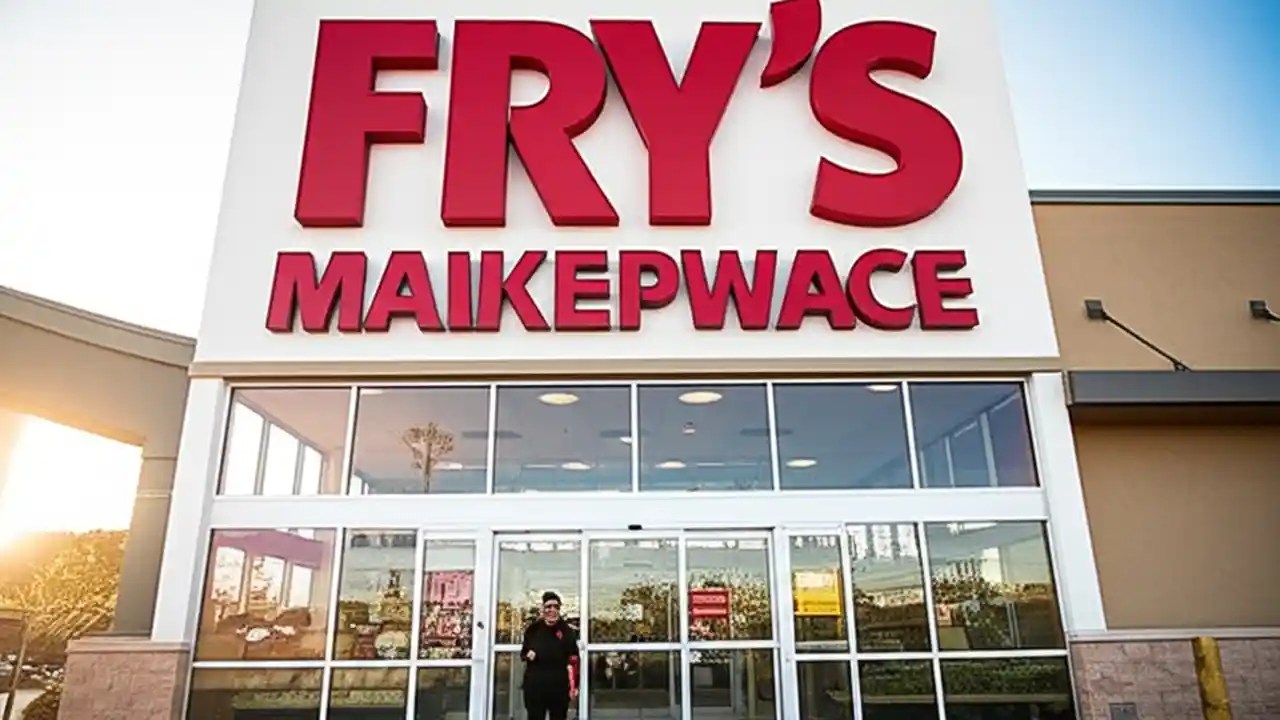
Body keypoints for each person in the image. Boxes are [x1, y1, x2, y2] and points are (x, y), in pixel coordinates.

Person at [521, 591, 579, 720]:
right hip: (535, 686)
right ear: (543, 609)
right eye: (548, 607)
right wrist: (528, 655)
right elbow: (523, 653)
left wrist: (574, 686)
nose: (552, 610)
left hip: (559, 687)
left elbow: (573, 660)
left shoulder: (567, 631)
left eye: (556, 607)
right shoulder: (533, 630)